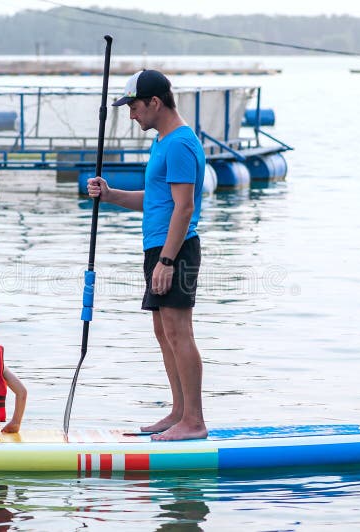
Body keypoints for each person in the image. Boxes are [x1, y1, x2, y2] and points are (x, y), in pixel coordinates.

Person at [87, 69, 207, 441]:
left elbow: (184, 208)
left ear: (155, 102)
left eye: (134, 106)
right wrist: (110, 195)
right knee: (163, 332)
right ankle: (178, 412)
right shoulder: (163, 142)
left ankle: (195, 421)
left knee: (178, 331)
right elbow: (157, 201)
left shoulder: (181, 144)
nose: (131, 114)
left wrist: (167, 261)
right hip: (158, 246)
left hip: (176, 249)